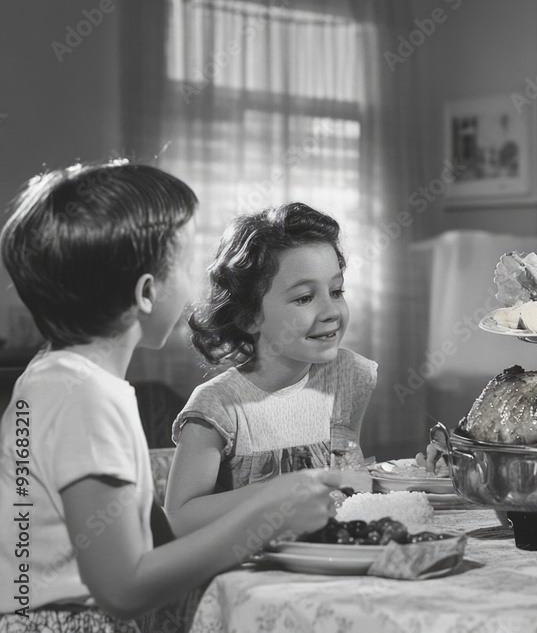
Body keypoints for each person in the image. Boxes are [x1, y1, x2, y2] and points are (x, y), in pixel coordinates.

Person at [0, 163, 341, 627]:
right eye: (183, 265)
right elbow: (124, 589)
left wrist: (270, 498)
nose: (193, 284)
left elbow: (149, 538)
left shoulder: (54, 379)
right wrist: (268, 516)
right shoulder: (84, 398)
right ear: (147, 292)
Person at [165, 202, 376, 536]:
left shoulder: (350, 375)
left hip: (334, 559)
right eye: (304, 298)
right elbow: (179, 517)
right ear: (248, 317)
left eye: (336, 291)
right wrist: (282, 492)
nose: (331, 311)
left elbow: (348, 477)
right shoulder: (217, 406)